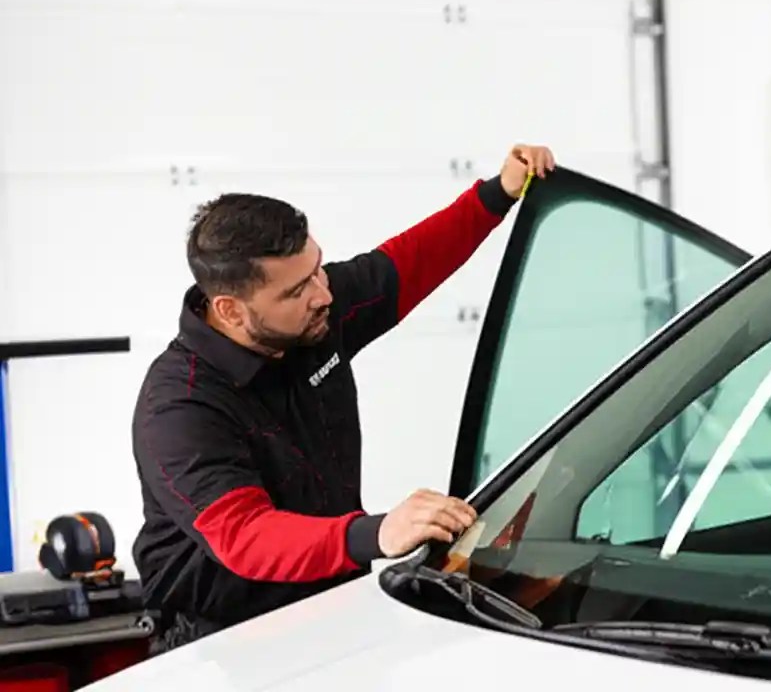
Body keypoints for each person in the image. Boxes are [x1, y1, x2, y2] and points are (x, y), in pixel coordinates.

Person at [130, 144, 556, 654]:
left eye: (318, 268)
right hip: (220, 645)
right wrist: (376, 534)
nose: (323, 294)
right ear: (230, 309)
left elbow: (405, 265)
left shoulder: (311, 315)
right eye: (295, 290)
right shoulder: (179, 407)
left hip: (331, 611)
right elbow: (244, 536)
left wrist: (497, 194)